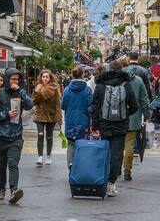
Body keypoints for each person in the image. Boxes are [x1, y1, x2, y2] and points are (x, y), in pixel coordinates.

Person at [90, 60, 140, 197]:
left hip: (104, 123)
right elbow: (135, 106)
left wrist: (95, 126)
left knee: (105, 153)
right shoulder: (126, 84)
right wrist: (124, 114)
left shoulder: (100, 85)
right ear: (121, 69)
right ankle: (111, 184)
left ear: (109, 69)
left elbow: (94, 107)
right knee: (117, 155)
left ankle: (102, 179)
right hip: (121, 124)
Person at [0, 68, 32, 204]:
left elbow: (30, 105)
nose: (15, 81)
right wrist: (5, 115)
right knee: (1, 165)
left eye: (17, 79)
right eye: (13, 79)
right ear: (7, 79)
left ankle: (14, 191)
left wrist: (21, 91)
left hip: (16, 135)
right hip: (0, 135)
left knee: (13, 163)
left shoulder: (20, 93)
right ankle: (1, 189)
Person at [119, 54, 151, 181]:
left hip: (117, 117)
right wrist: (147, 115)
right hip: (133, 116)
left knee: (118, 145)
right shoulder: (138, 80)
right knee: (130, 145)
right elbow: (144, 99)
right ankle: (127, 170)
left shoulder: (116, 78)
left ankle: (116, 170)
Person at [60, 66, 94, 169]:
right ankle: (79, 166)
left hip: (70, 119)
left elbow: (63, 106)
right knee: (82, 143)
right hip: (83, 119)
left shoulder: (67, 90)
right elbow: (90, 106)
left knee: (70, 143)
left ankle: (70, 163)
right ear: (82, 75)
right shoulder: (87, 90)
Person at [31, 69, 62, 167]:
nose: (45, 79)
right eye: (43, 77)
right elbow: (33, 101)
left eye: (47, 77)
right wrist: (37, 91)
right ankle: (40, 157)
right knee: (40, 135)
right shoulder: (38, 87)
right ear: (41, 78)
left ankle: (48, 156)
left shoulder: (55, 87)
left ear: (50, 78)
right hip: (40, 115)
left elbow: (57, 104)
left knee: (49, 136)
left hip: (51, 115)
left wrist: (59, 118)